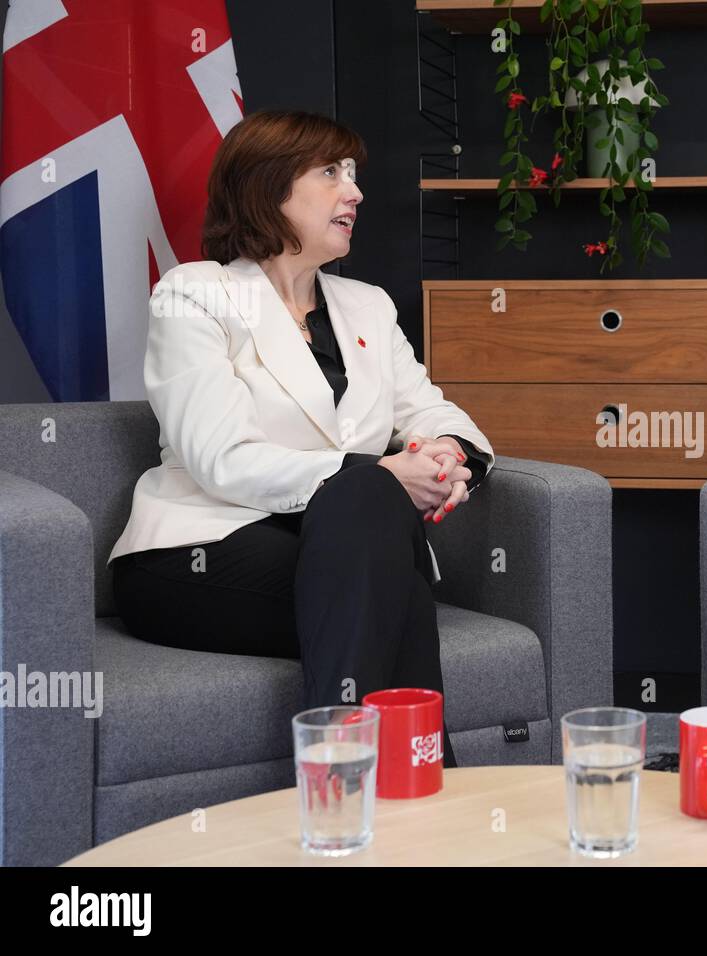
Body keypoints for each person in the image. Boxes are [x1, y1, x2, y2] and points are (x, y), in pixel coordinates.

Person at [108, 111, 494, 769]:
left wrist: (447, 456)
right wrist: (378, 475)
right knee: (375, 517)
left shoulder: (367, 305)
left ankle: (342, 787)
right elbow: (221, 460)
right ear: (268, 186)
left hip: (346, 550)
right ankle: (424, 790)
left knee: (371, 517)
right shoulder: (195, 294)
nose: (356, 192)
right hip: (201, 553)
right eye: (331, 173)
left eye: (353, 175)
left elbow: (437, 412)